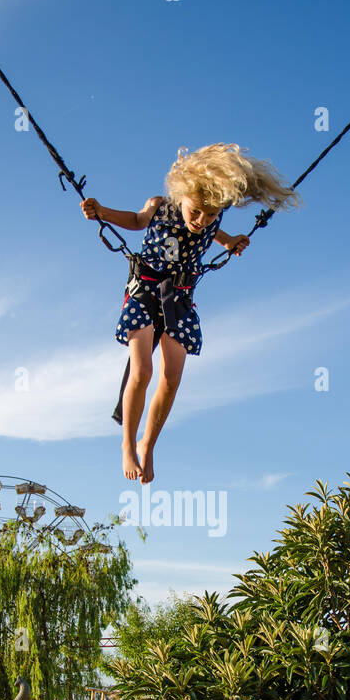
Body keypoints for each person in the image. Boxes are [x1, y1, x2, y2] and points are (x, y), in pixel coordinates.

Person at [81, 143, 299, 481]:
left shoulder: (211, 218)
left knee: (171, 379)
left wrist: (231, 242)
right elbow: (136, 221)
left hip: (179, 298)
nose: (201, 221)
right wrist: (102, 212)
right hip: (145, 290)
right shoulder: (160, 207)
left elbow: (217, 234)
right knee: (142, 371)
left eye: (210, 214)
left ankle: (147, 444)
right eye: (196, 211)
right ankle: (126, 444)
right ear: (183, 196)